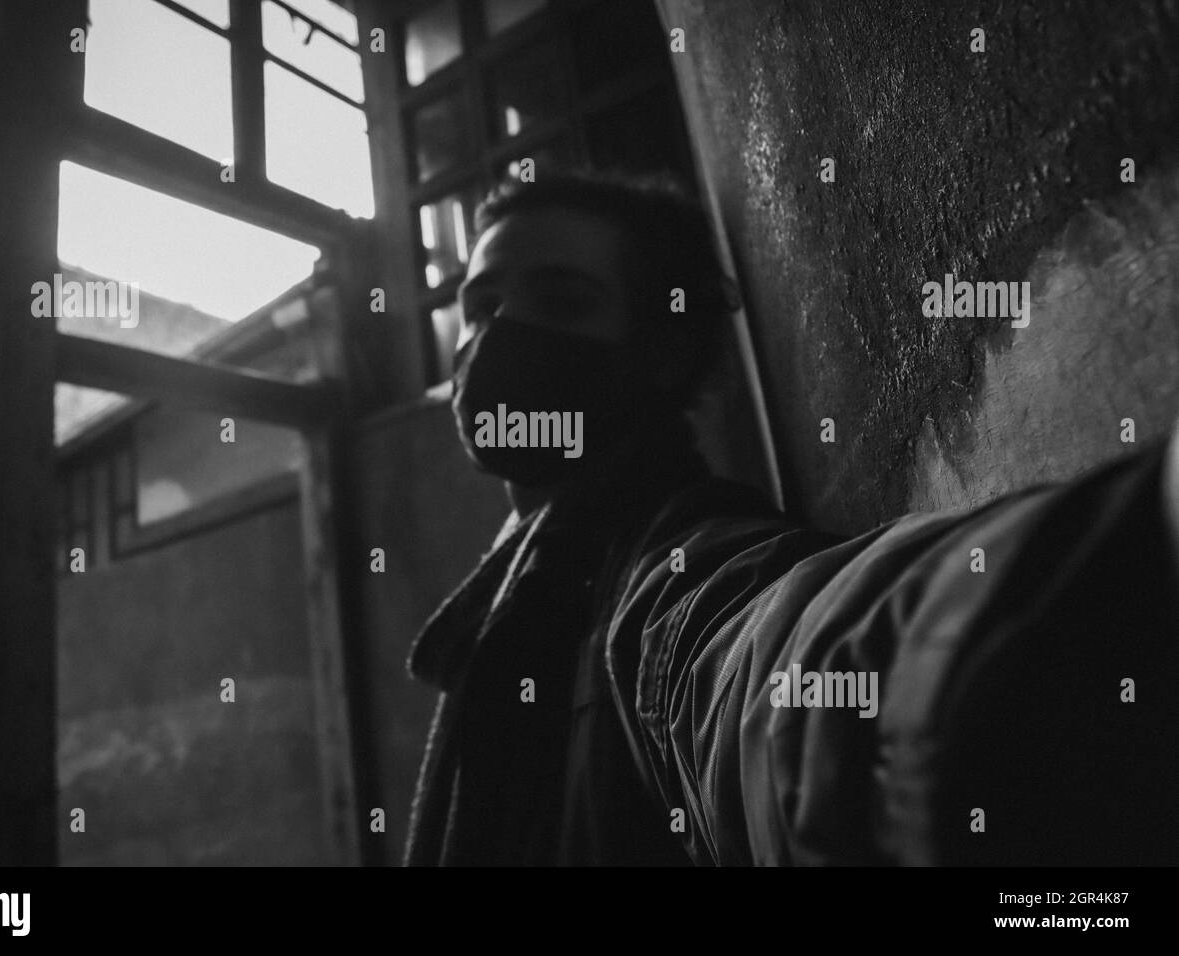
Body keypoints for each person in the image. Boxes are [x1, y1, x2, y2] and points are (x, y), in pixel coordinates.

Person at [402, 169, 1179, 866]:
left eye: (563, 300)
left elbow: (772, 674)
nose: (498, 334)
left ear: (663, 351)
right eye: (480, 305)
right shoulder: (513, 604)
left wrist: (1129, 556)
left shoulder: (671, 568)